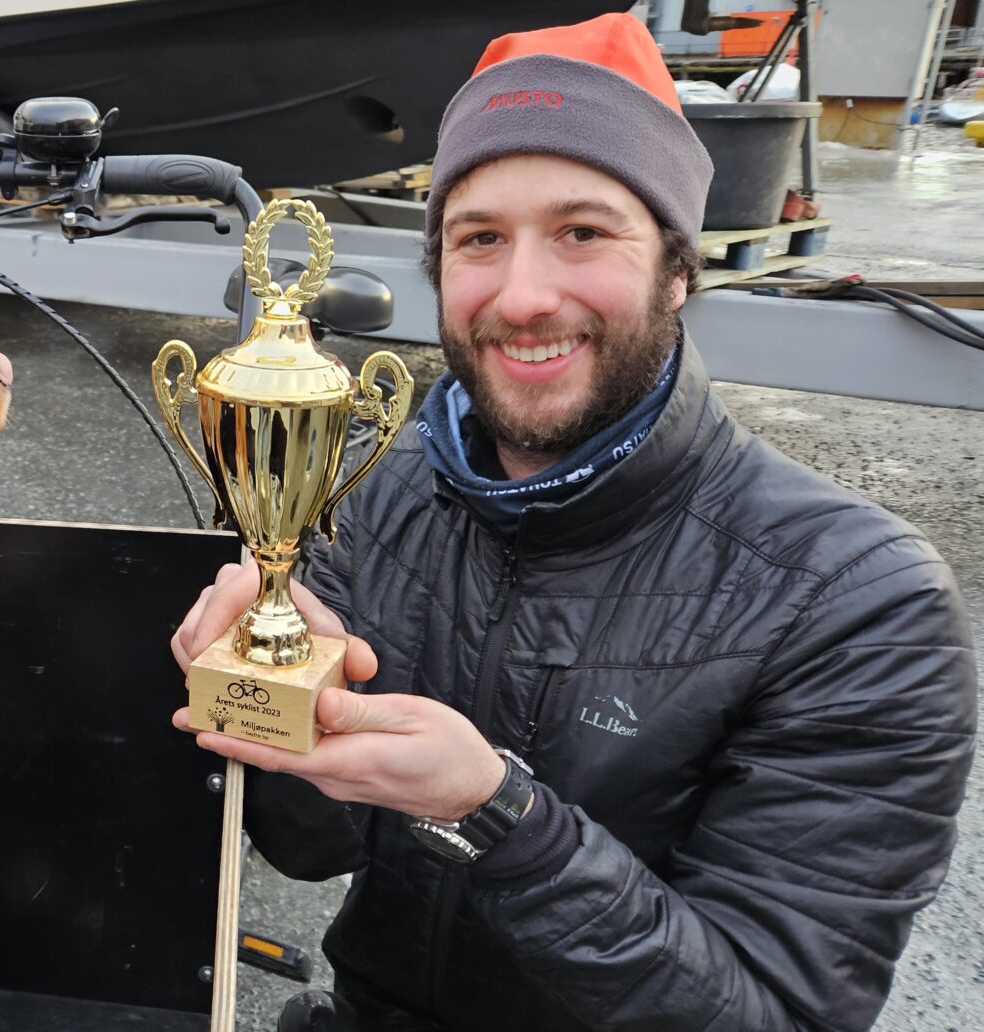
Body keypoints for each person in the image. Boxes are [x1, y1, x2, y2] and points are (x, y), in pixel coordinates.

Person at [171, 14, 977, 1031]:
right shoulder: (386, 483)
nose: (522, 297)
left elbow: (778, 1013)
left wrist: (493, 815)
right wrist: (270, 702)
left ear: (677, 268)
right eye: (479, 239)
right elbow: (313, 847)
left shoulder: (859, 604)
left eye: (583, 232)